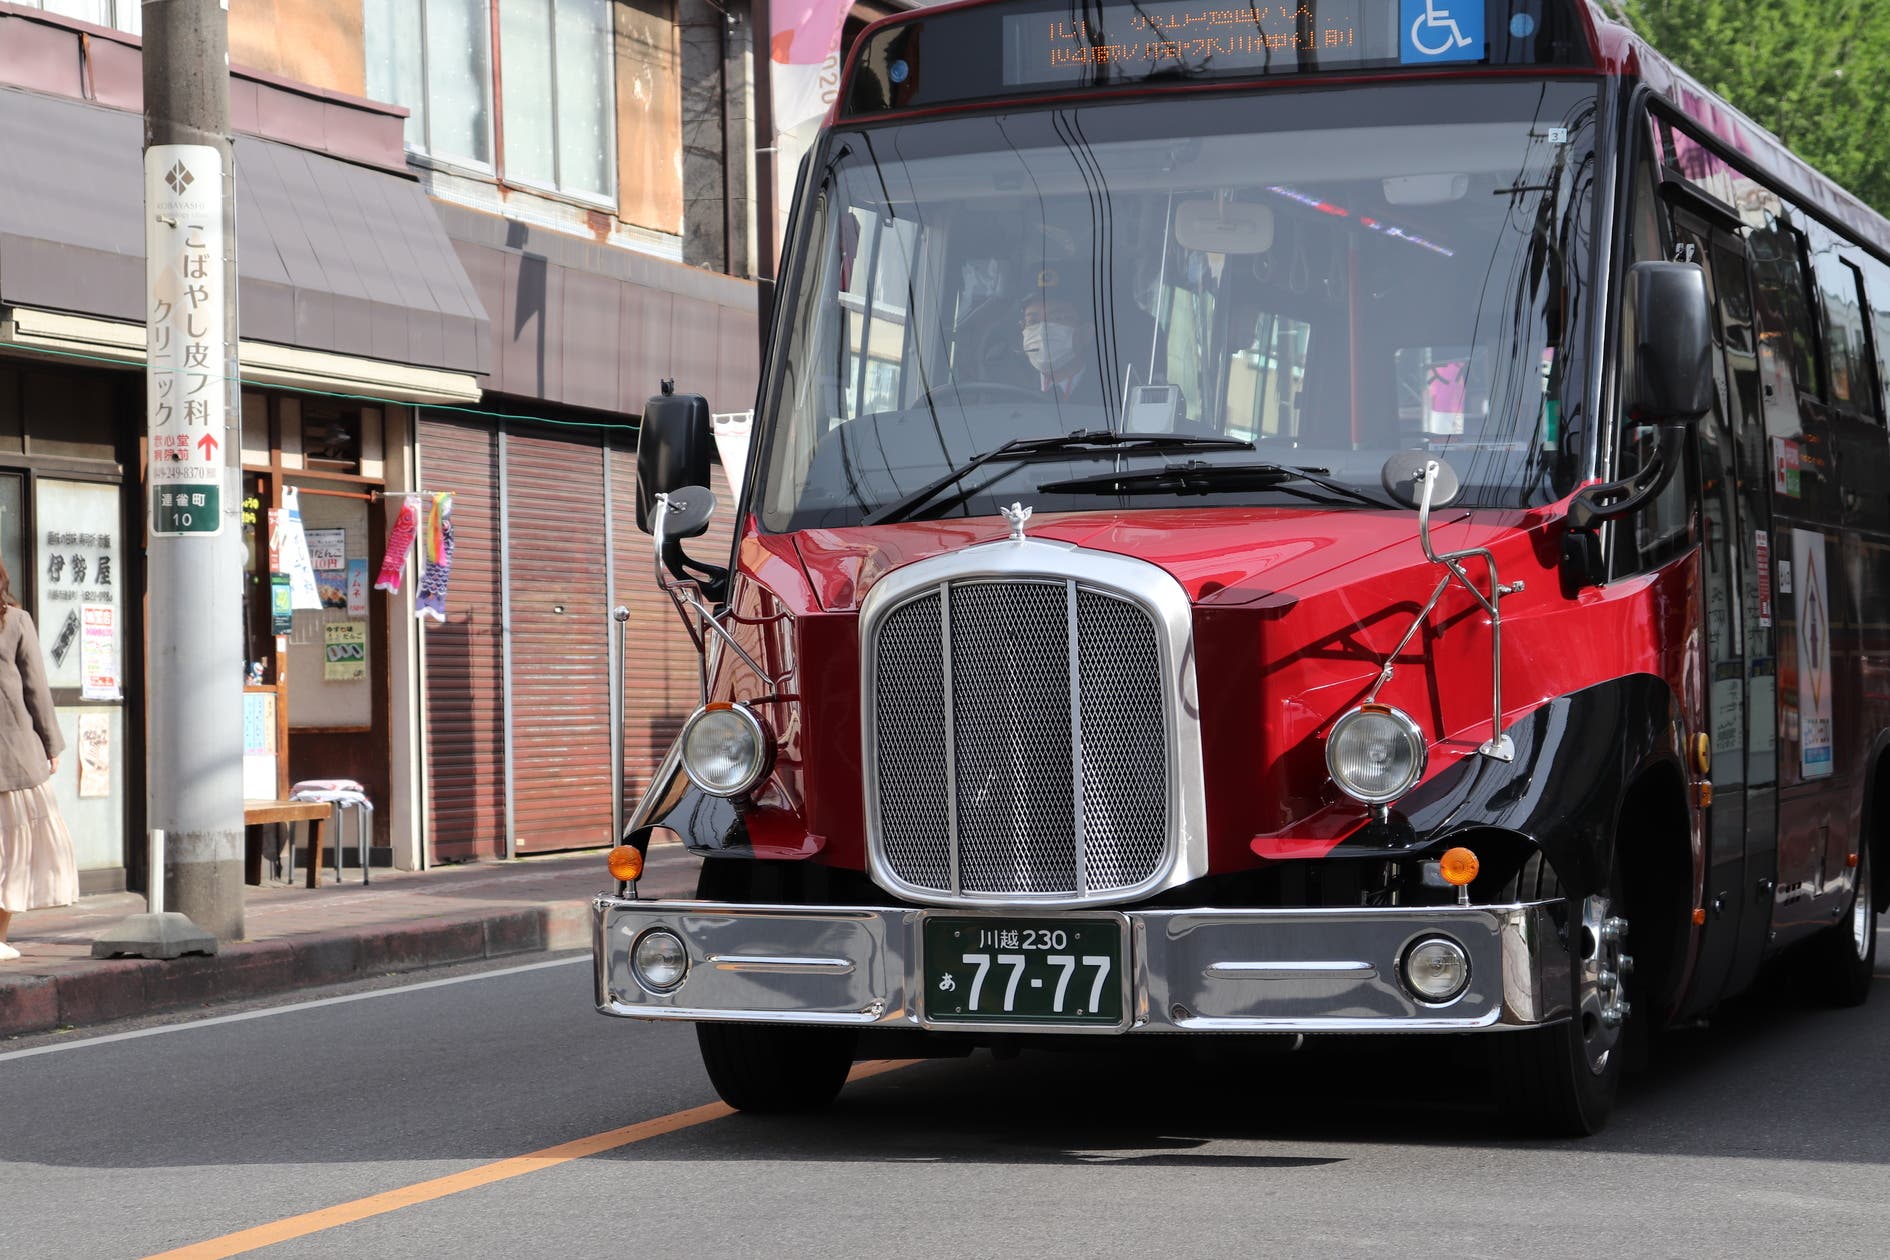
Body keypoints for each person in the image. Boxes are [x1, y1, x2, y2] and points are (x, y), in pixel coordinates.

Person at [0, 561, 75, 961]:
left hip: (12, 758)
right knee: (14, 852)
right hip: (14, 759)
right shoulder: (15, 620)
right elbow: (36, 689)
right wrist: (50, 744)